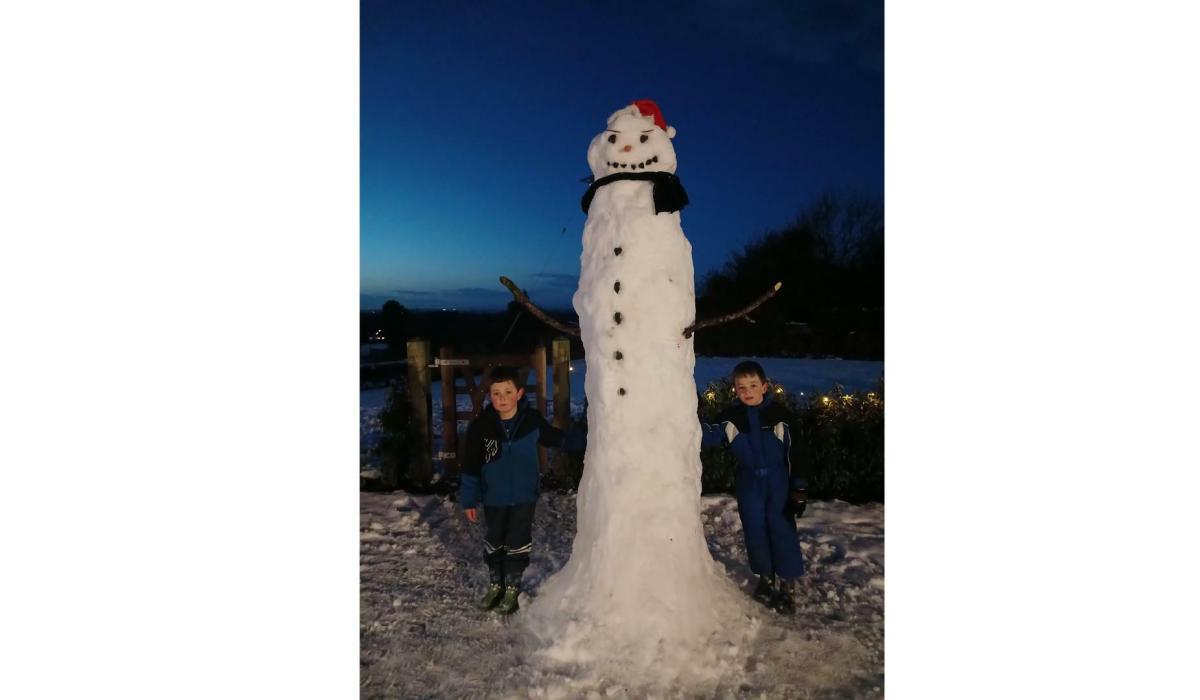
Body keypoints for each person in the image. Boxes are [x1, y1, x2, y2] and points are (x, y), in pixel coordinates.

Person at [458, 366, 581, 615]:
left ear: (519, 393)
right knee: (495, 540)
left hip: (525, 496)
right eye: (495, 393)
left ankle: (512, 587)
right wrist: (468, 498)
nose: (501, 398)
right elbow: (470, 465)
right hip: (494, 497)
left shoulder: (531, 421)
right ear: (489, 396)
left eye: (507, 392)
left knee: (517, 541)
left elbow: (554, 438)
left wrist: (581, 439)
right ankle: (496, 584)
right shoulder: (481, 427)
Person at [700, 361, 810, 614]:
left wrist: (799, 489)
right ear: (735, 390)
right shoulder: (731, 419)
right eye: (741, 387)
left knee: (781, 530)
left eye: (753, 385)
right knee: (755, 531)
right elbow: (707, 437)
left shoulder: (780, 417)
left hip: (778, 482)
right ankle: (766, 578)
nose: (747, 391)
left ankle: (787, 585)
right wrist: (690, 411)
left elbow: (798, 453)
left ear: (765, 386)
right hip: (749, 484)